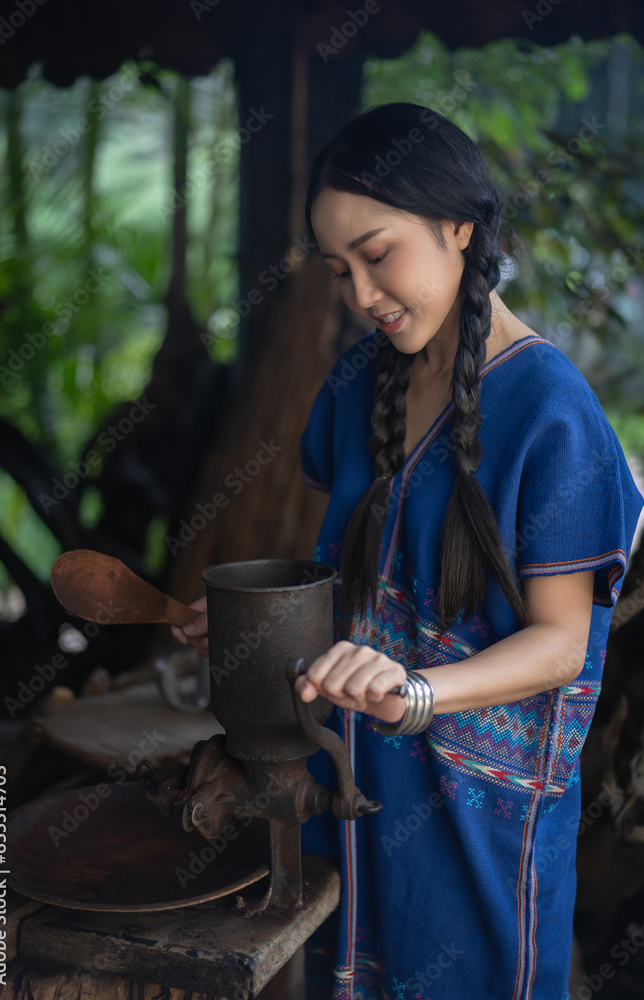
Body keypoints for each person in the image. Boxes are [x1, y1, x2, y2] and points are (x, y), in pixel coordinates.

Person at [174, 102, 644, 1000]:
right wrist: (267, 624)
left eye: (377, 253)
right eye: (337, 269)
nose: (359, 293)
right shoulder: (360, 380)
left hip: (478, 826)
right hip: (348, 788)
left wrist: (414, 693)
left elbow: (560, 646)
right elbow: (362, 575)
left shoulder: (551, 411)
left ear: (458, 226)